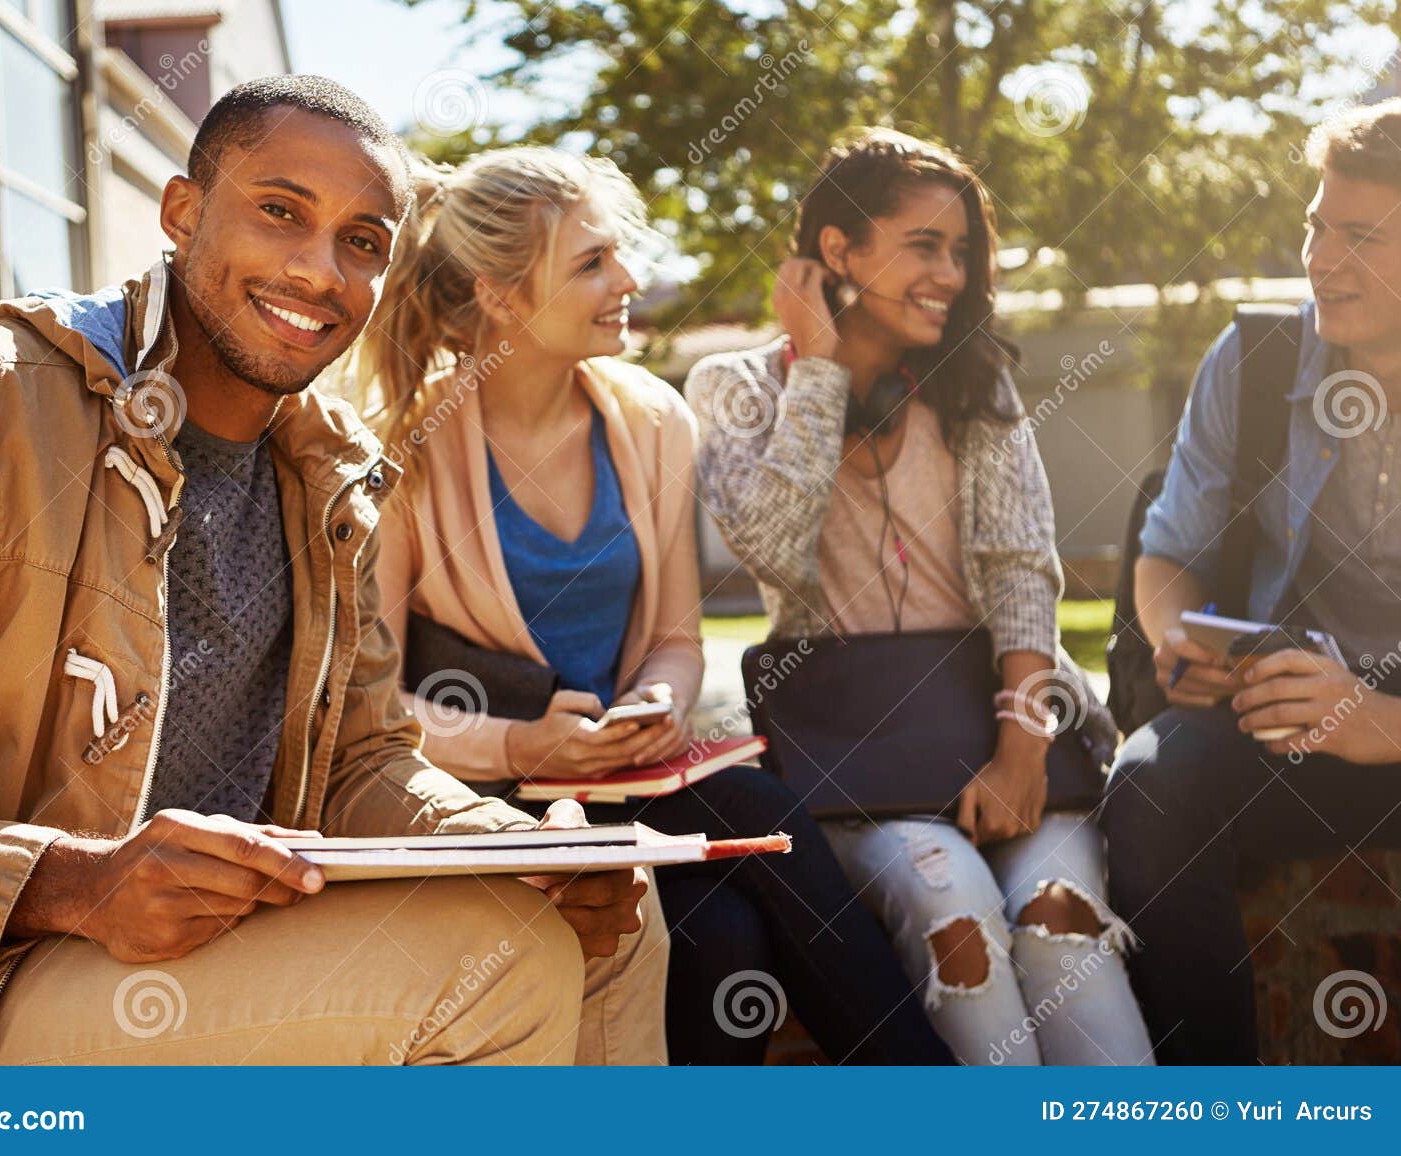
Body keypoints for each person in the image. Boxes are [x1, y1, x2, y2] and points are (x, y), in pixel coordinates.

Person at [0, 76, 667, 1067]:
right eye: (280, 212)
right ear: (181, 212)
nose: (317, 268)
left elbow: (359, 761)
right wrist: (68, 883)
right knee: (501, 960)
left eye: (363, 241)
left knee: (606, 931)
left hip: (210, 946)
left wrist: (509, 845)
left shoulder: (328, 474)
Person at [357, 145, 951, 1064]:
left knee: (736, 909)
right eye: (591, 262)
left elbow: (679, 638)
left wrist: (661, 702)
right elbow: (369, 707)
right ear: (503, 296)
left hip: (622, 787)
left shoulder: (652, 420)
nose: (629, 279)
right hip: (484, 800)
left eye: (618, 253)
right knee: (744, 870)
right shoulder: (405, 448)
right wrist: (518, 743)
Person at [687, 128, 1151, 1065]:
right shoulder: (732, 388)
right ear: (838, 251)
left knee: (1062, 919)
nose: (952, 271)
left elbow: (1024, 570)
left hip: (1012, 740)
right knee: (954, 915)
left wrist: (1022, 753)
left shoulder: (977, 383)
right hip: (858, 769)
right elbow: (772, 546)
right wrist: (817, 370)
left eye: (962, 250)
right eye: (924, 246)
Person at [1101, 99, 1401, 1064]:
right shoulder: (1256, 359)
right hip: (1284, 720)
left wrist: (1378, 720)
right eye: (1318, 225)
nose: (1320, 259)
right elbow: (1166, 551)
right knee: (1149, 787)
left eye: (1360, 236)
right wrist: (1178, 638)